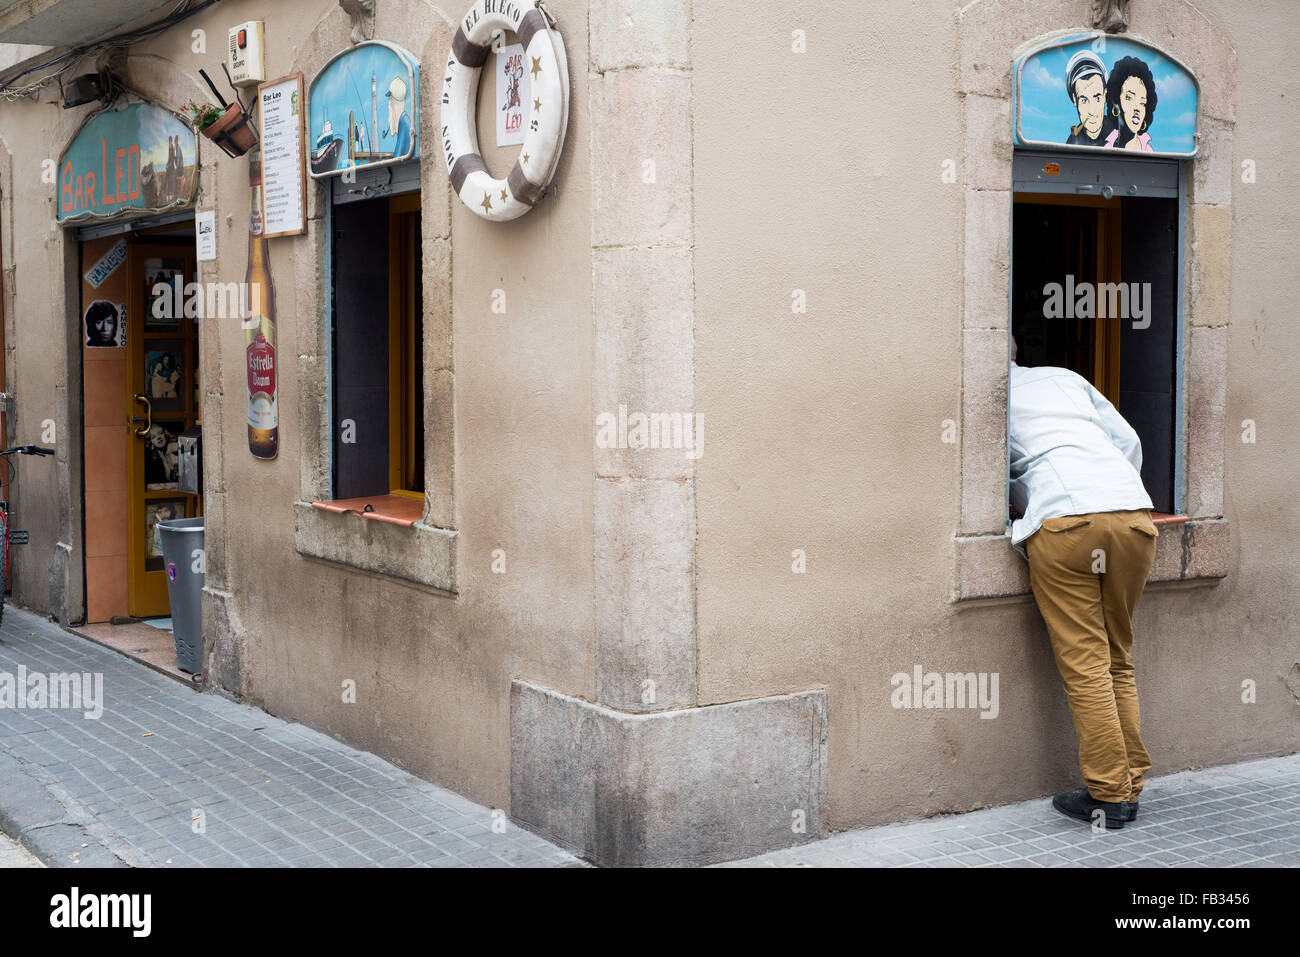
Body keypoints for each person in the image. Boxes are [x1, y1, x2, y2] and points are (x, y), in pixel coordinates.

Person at [1009, 332, 1159, 830]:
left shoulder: (988, 399)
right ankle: (1131, 782)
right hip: (1134, 516)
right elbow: (1127, 441)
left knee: (1085, 664)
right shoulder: (1064, 378)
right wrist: (1115, 496)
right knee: (1117, 656)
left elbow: (1002, 478)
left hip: (1067, 521)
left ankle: (1109, 796)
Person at [1063, 50, 1117, 147]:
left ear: (1105, 95)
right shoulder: (1072, 145)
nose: (1092, 111)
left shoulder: (1119, 135)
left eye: (1097, 99)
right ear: (1075, 101)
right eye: (1084, 101)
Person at [1104, 56, 1157, 151]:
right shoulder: (1107, 147)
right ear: (1116, 102)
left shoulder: (1148, 151)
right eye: (1129, 98)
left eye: (1142, 103)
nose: (1137, 108)